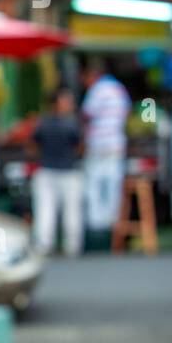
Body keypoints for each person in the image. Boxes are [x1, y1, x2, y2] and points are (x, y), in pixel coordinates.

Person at [30, 87, 84, 256]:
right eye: (65, 101)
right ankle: (72, 247)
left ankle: (45, 246)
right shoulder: (71, 123)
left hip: (51, 171)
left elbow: (33, 146)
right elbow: (81, 147)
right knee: (70, 211)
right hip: (65, 172)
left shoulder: (42, 122)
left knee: (47, 211)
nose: (69, 104)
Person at [81, 59, 131, 238]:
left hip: (99, 143)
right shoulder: (119, 89)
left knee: (94, 182)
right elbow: (126, 112)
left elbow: (87, 113)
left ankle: (97, 224)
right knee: (113, 182)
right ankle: (113, 220)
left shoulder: (97, 90)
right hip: (116, 142)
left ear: (92, 76)